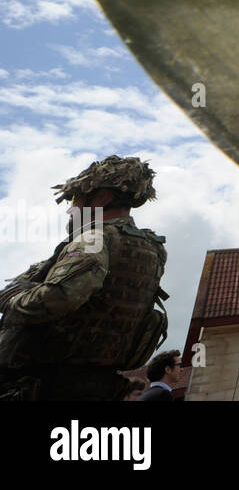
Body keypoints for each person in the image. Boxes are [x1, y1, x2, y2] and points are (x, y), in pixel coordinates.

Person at [0, 155, 168, 401]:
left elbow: (58, 297)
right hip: (94, 386)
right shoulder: (152, 249)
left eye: (76, 199)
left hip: (43, 386)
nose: (71, 208)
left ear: (101, 198)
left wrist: (12, 296)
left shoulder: (94, 239)